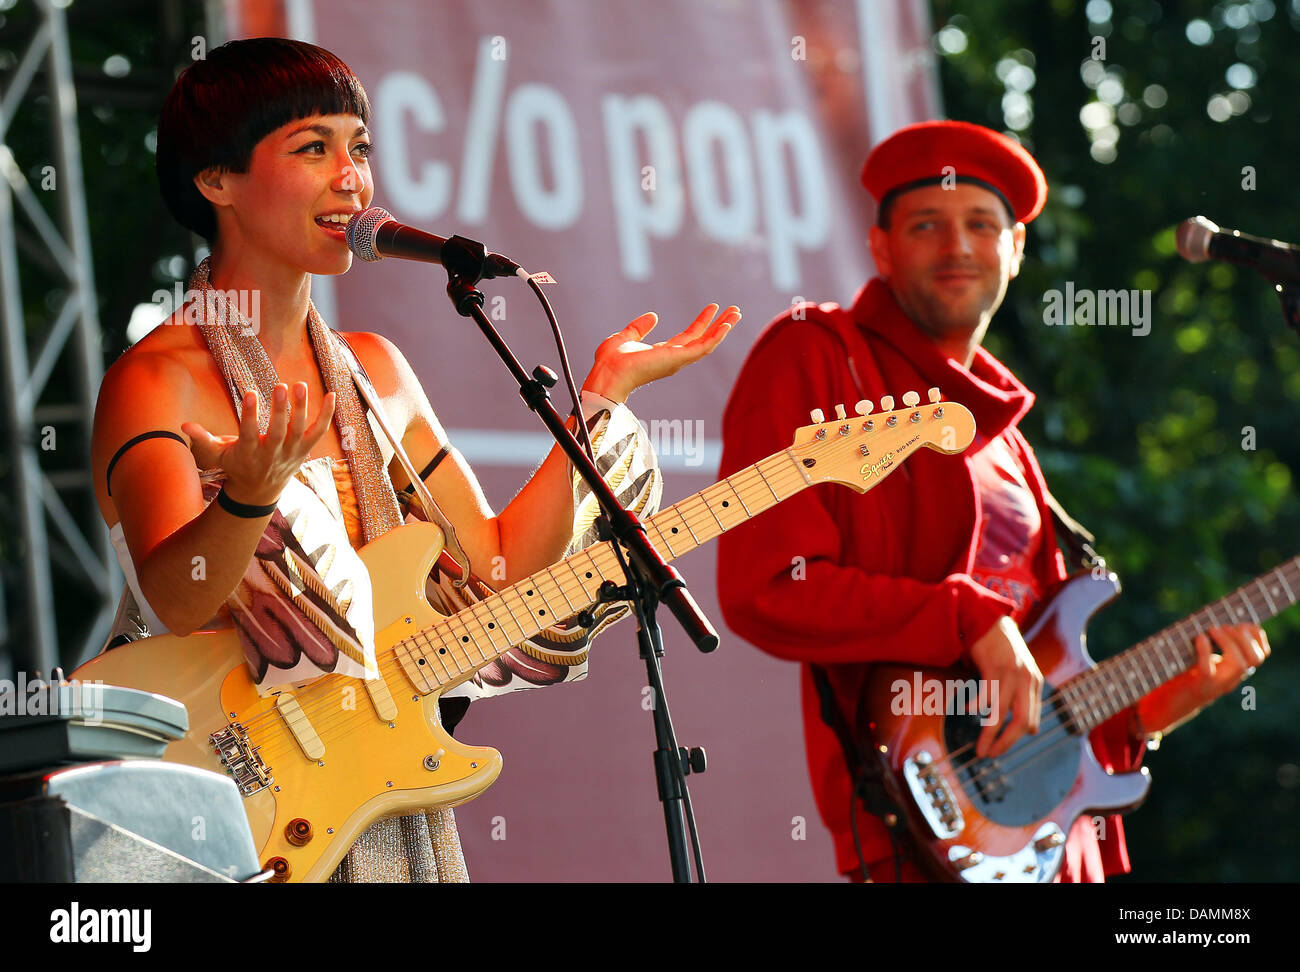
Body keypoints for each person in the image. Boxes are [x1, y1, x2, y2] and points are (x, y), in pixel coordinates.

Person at [90, 37, 738, 882]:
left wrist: (599, 401)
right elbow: (176, 599)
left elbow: (495, 566)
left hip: (371, 794)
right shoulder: (156, 380)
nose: (351, 177)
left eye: (358, 148)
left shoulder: (379, 370)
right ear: (217, 182)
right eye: (312, 148)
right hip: (210, 799)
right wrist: (246, 501)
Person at [715, 119, 1270, 882]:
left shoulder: (1011, 443)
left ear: (1015, 251)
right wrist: (966, 615)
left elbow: (1028, 698)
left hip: (1060, 854)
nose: (959, 247)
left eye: (982, 224)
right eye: (926, 225)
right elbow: (763, 587)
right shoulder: (818, 356)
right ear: (879, 248)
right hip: (915, 842)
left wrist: (1145, 714)